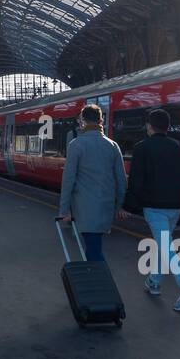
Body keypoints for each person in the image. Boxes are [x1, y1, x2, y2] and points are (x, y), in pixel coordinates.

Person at [122, 107, 180, 312]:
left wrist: (127, 206)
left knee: (167, 248)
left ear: (149, 127)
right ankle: (153, 281)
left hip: (154, 207)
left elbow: (136, 181)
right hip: (176, 206)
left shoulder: (142, 148)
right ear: (168, 127)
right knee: (165, 244)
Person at [57, 105, 126, 264]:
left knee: (93, 252)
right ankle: (98, 279)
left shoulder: (76, 145)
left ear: (83, 121)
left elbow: (68, 180)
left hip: (85, 208)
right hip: (106, 206)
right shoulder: (113, 145)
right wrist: (119, 205)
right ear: (101, 120)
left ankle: (101, 284)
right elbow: (121, 180)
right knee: (94, 246)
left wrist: (64, 209)